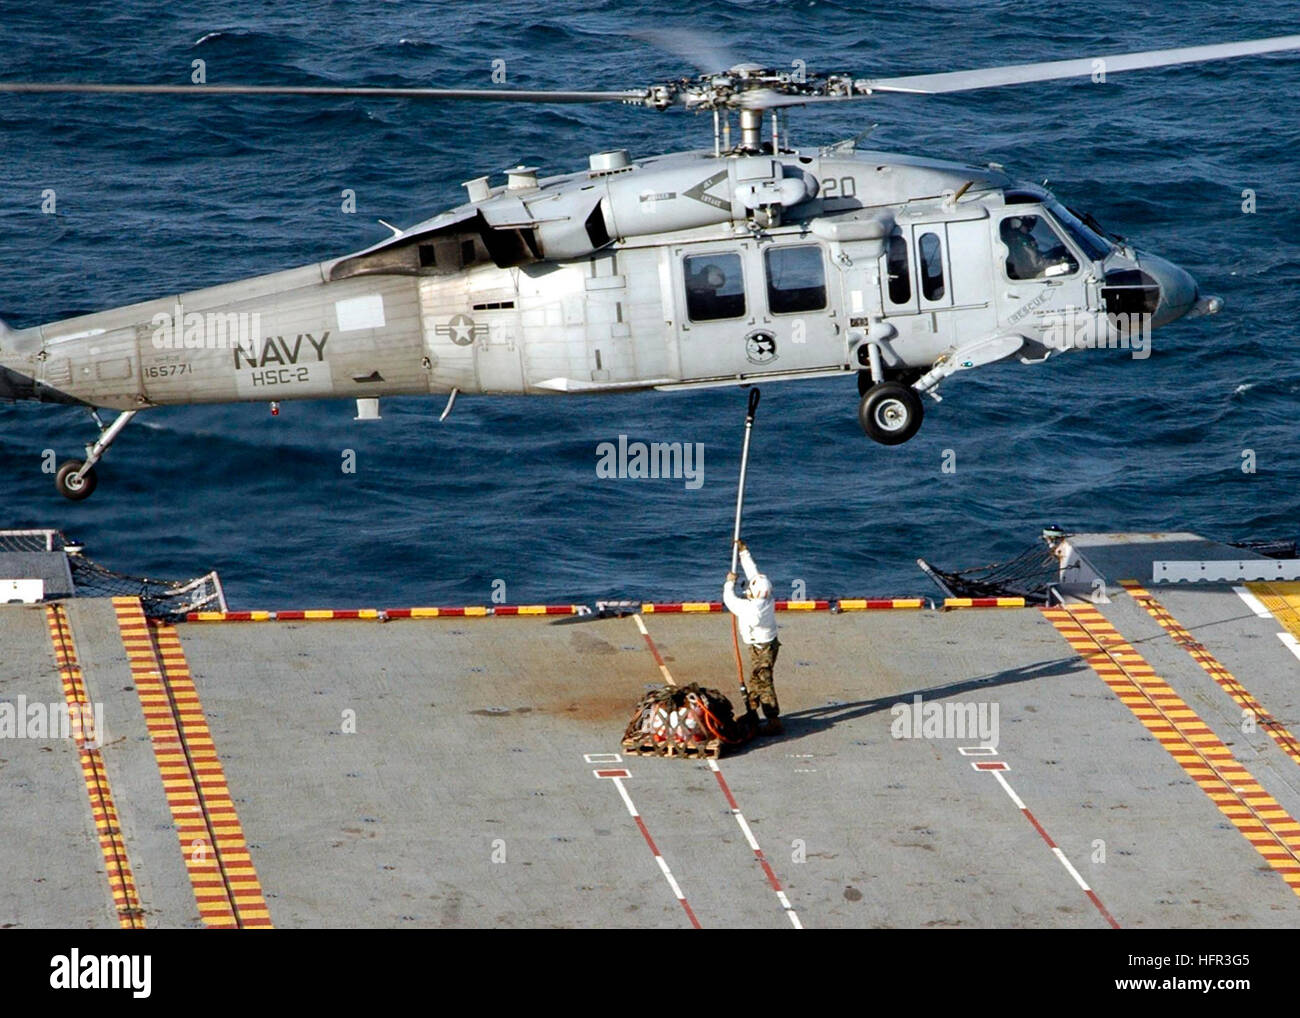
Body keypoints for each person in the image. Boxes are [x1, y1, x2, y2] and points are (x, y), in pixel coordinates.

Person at [723, 540, 781, 735]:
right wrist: (744, 553)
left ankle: (772, 720)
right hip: (765, 644)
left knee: (763, 681)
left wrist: (729, 582)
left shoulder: (754, 610)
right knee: (756, 679)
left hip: (761, 647)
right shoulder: (765, 596)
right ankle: (753, 713)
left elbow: (730, 601)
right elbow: (753, 573)